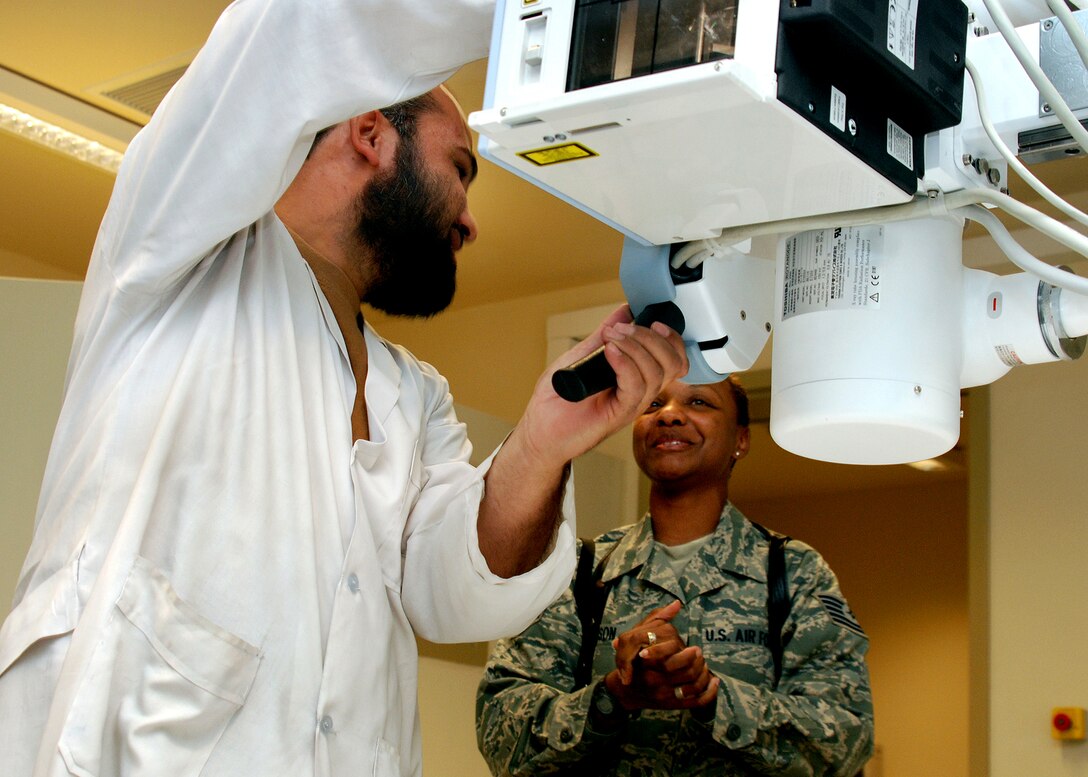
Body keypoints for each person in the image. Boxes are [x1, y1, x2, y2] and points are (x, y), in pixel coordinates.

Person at [0, 2, 688, 777]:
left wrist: (541, 443)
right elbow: (301, 29)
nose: (470, 223)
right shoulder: (184, 246)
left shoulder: (414, 395)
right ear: (370, 132)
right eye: (460, 168)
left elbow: (451, 593)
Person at [476, 376, 874, 776]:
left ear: (741, 439)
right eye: (652, 405)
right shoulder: (576, 573)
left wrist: (712, 696)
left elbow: (846, 738)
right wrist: (613, 697)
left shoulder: (792, 573)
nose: (669, 415)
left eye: (699, 402)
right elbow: (500, 729)